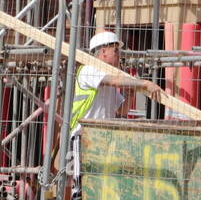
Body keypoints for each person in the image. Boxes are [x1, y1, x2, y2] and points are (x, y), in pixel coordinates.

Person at [67, 31, 166, 185]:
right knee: (81, 186)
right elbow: (115, 81)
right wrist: (144, 83)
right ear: (103, 51)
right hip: (83, 136)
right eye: (116, 50)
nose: (119, 55)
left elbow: (122, 110)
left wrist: (131, 93)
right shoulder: (88, 70)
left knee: (99, 185)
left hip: (102, 138)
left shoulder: (107, 79)